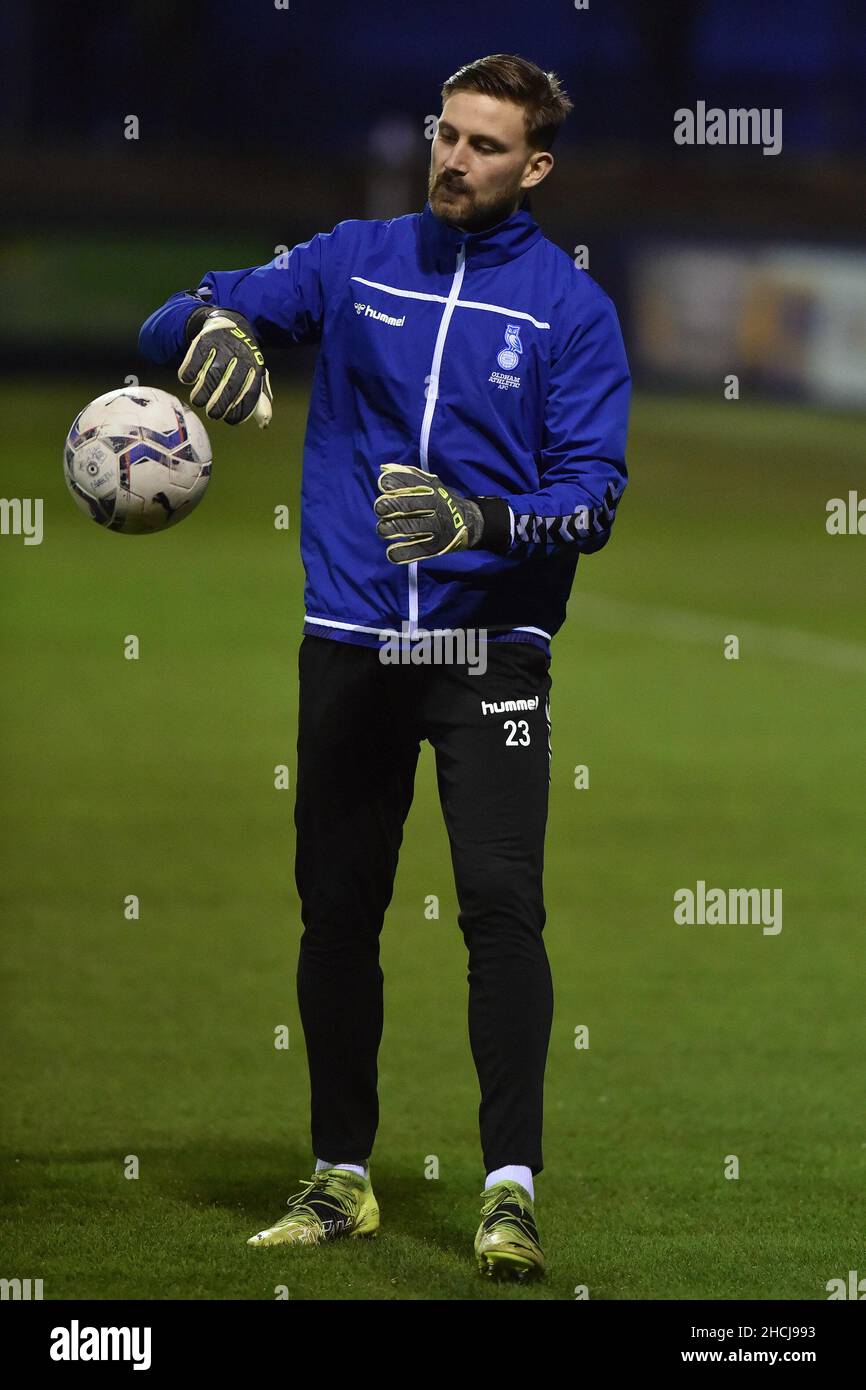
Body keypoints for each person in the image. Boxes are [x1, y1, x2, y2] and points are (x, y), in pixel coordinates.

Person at [138, 52, 631, 1283]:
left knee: (499, 911)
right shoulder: (352, 259)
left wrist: (478, 522)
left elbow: (594, 499)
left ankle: (507, 1191)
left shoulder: (567, 313)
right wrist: (207, 327)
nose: (454, 160)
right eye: (445, 135)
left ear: (535, 166)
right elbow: (171, 313)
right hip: (354, 641)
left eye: (483, 145)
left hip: (487, 654)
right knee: (338, 911)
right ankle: (339, 1176)